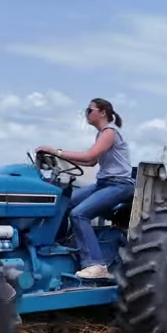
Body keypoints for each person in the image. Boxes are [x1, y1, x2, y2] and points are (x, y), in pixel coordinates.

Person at [35, 98, 134, 280]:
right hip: (103, 183)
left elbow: (90, 156)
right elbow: (91, 162)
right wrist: (58, 158)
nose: (86, 114)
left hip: (119, 184)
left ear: (102, 113)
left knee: (79, 214)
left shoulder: (109, 132)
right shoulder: (101, 135)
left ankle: (96, 264)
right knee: (63, 203)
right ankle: (60, 245)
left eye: (89, 111)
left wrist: (56, 152)